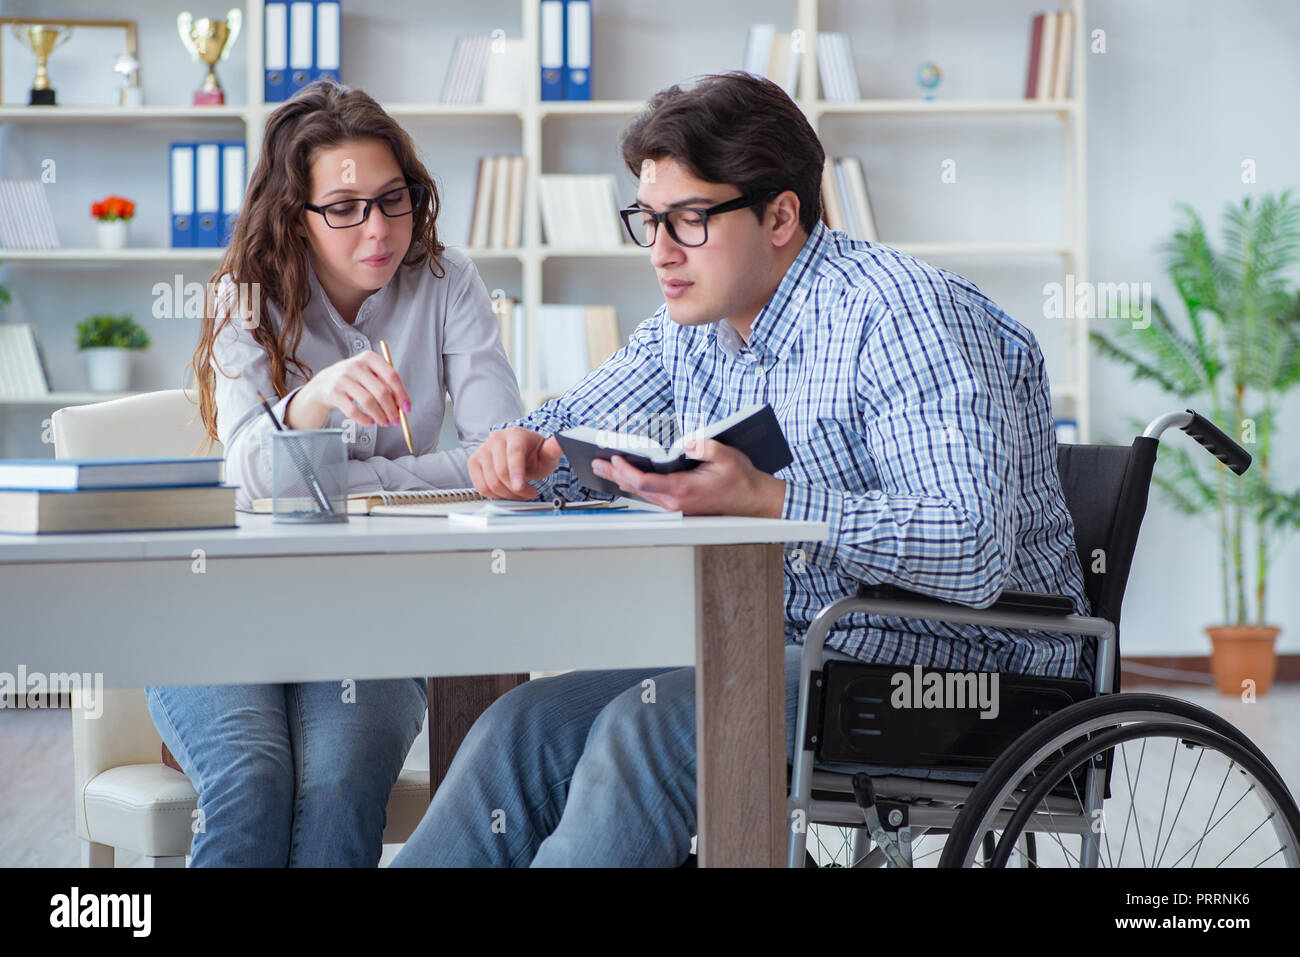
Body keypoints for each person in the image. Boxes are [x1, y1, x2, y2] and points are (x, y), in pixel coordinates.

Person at [391, 70, 1090, 868]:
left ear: (781, 214)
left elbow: (970, 549)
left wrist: (771, 500)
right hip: (783, 642)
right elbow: (564, 429)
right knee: (519, 727)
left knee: (645, 731)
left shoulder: (898, 315)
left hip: (963, 667)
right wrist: (522, 451)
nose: (658, 252)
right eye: (647, 221)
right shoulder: (690, 323)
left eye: (687, 221)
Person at [147, 80, 523, 866]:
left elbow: (499, 458)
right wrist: (313, 399)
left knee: (339, 792)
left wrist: (339, 482)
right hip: (223, 614)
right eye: (345, 206)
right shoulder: (244, 297)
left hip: (372, 614)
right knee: (252, 785)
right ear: (296, 214)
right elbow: (246, 474)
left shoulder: (449, 283)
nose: (379, 228)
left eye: (395, 199)